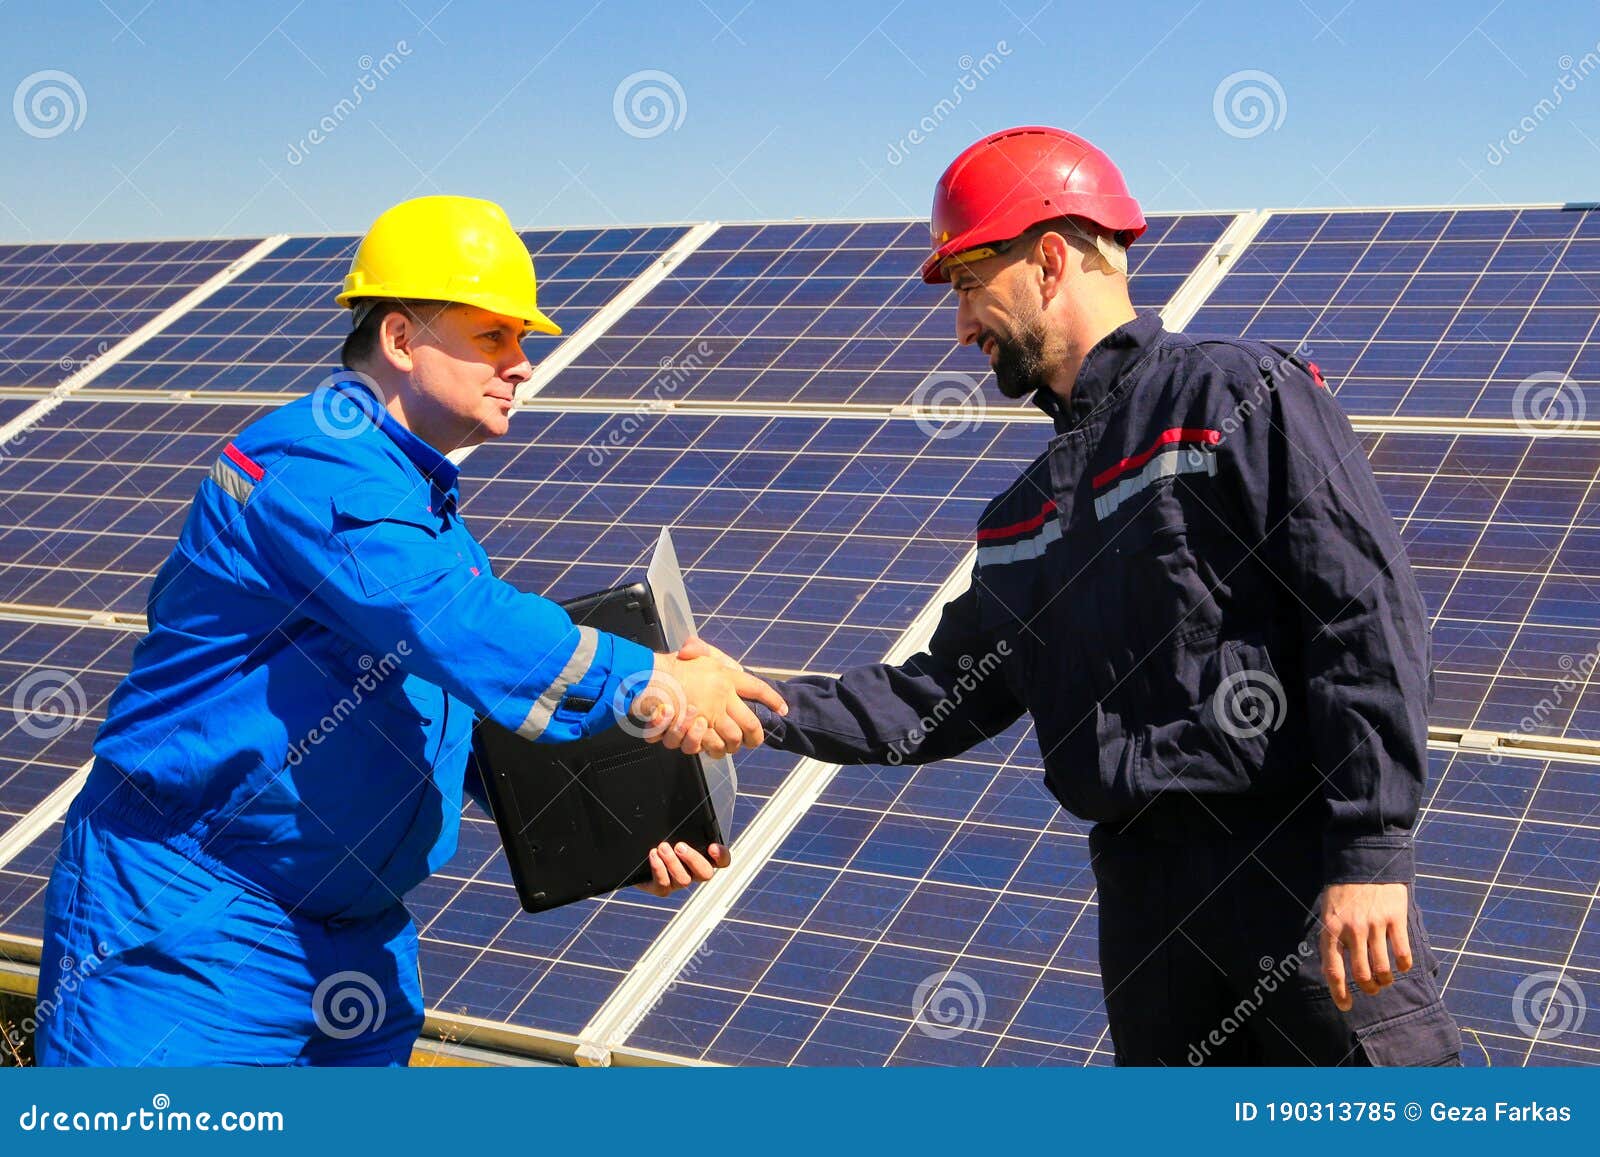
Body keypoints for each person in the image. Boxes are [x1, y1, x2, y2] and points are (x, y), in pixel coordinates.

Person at [701, 126, 1463, 1066]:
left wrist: (1372, 852)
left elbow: (1363, 615)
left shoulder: (1237, 397)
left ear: (1050, 258)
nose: (961, 326)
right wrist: (746, 701)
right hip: (1146, 910)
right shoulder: (1026, 514)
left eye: (970, 284)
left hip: (1294, 879)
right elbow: (930, 695)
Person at [34, 195, 786, 1067]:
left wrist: (624, 822)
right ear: (400, 338)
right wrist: (655, 684)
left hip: (353, 946)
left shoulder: (421, 508)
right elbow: (453, 623)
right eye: (494, 337)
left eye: (524, 341)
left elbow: (444, 710)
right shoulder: (312, 461)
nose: (522, 366)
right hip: (190, 932)